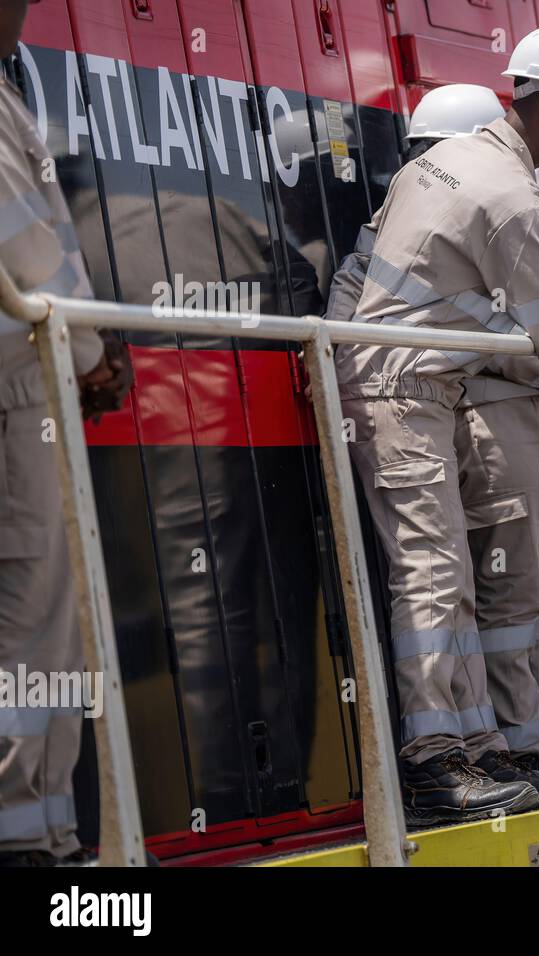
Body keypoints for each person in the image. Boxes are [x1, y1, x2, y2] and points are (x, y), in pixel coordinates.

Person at [332, 25, 539, 825]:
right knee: (436, 574)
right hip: (403, 388)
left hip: (409, 385)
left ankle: (477, 750)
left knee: (450, 576)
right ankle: (437, 763)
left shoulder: (455, 161)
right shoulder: (510, 198)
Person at [0, 0, 133, 866]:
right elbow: (28, 244)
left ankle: (45, 832)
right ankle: (26, 835)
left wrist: (80, 345)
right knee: (32, 614)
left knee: (49, 619)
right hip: (18, 385)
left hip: (31, 375)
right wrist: (87, 349)